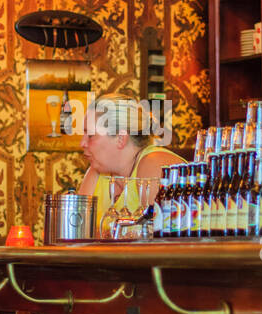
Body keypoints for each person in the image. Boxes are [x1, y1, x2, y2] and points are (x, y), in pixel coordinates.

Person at [77, 90, 183, 226]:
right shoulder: (96, 172)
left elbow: (168, 239)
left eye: (90, 135)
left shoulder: (154, 166)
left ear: (121, 138)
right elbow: (77, 233)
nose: (82, 143)